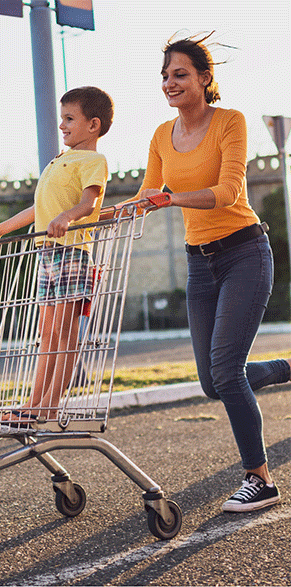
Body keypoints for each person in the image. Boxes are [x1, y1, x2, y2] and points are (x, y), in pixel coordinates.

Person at [133, 33, 290, 512]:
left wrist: (171, 198)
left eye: (180, 74)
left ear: (204, 78)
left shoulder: (230, 122)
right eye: (165, 76)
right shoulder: (162, 134)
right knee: (212, 380)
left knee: (226, 371)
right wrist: (97, 215)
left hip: (244, 252)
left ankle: (259, 480)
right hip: (199, 263)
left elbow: (226, 191)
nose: (170, 83)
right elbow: (146, 193)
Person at [0, 86, 114, 425]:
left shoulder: (93, 160)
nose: (62, 126)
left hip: (71, 253)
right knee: (49, 332)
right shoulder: (60, 160)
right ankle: (33, 403)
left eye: (70, 119)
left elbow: (90, 203)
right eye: (62, 119)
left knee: (64, 333)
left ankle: (49, 405)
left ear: (93, 125)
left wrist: (67, 217)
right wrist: (0, 229)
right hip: (48, 255)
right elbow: (38, 208)